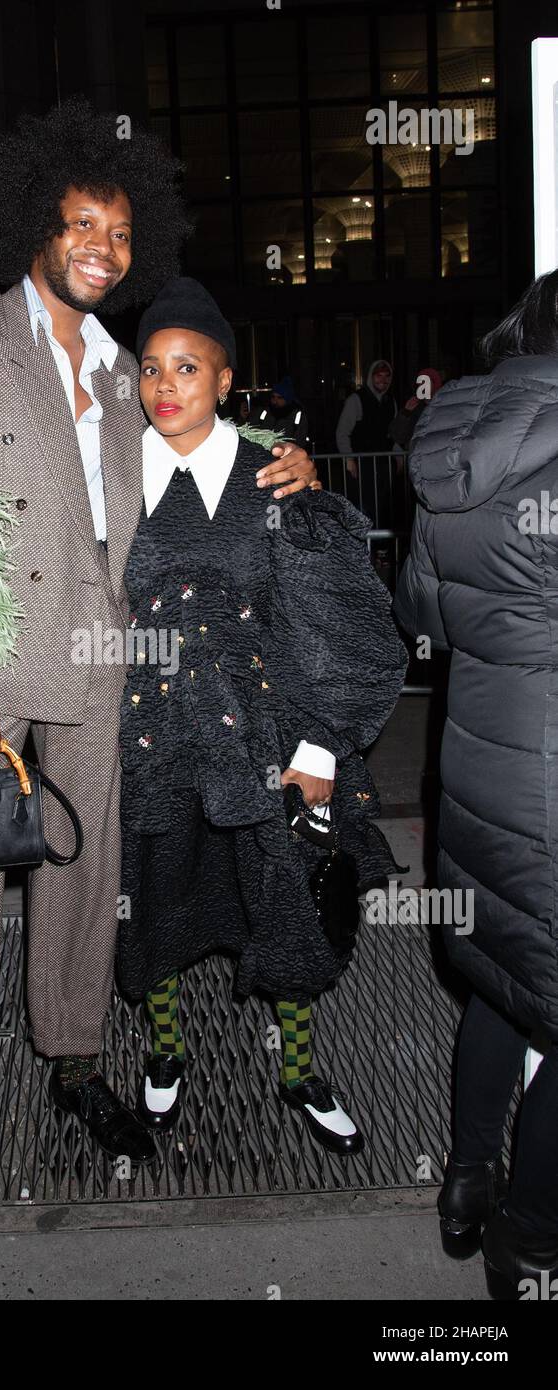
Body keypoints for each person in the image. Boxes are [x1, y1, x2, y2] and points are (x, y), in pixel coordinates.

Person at [0, 100, 318, 1273]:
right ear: (38, 225)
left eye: (119, 229)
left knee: (83, 887)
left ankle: (74, 1063)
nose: (101, 245)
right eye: (81, 222)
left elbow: (190, 430)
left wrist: (279, 453)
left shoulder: (122, 369)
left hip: (98, 666)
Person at [116, 278, 408, 1153]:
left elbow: (338, 622)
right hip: (155, 735)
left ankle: (299, 1070)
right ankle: (164, 1056)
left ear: (225, 378)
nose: (167, 385)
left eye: (189, 367)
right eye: (153, 368)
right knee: (159, 901)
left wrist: (320, 746)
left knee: (287, 902)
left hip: (269, 739)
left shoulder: (277, 478)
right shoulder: (110, 477)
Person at [395, 270, 558, 1300]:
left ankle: (463, 1179)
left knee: (504, 979)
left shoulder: (444, 443)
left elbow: (426, 615)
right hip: (548, 779)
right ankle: (528, 1238)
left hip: (471, 758)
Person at [336, 359, 395, 526]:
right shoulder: (356, 399)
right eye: (378, 376)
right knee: (361, 507)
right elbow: (342, 432)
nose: (382, 380)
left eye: (386, 376)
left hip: (383, 466)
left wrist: (398, 458)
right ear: (371, 376)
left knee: (383, 507)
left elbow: (392, 435)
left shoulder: (391, 401)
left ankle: (381, 549)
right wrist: (349, 459)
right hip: (361, 466)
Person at [248, 376, 309, 447]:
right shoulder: (263, 412)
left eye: (279, 398)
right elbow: (249, 431)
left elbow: (300, 441)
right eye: (273, 397)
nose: (275, 401)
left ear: (287, 399)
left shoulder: (297, 416)